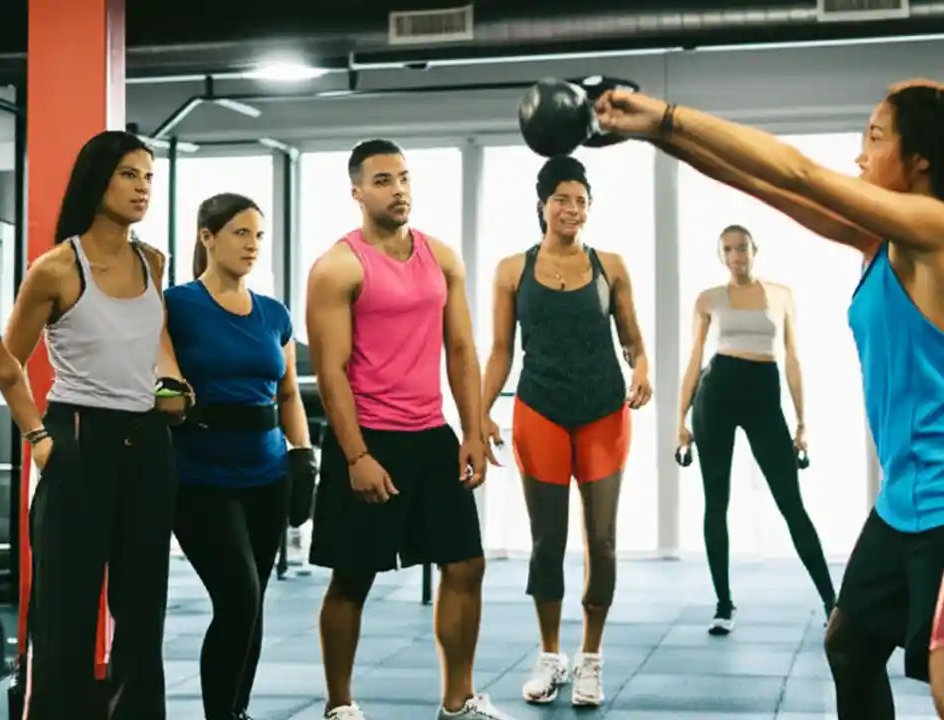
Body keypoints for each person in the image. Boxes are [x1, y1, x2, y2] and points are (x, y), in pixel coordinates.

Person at [594, 66, 944, 720]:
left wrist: (665, 114)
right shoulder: (880, 240)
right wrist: (654, 136)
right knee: (851, 646)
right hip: (905, 499)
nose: (859, 153)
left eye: (875, 137)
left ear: (917, 162)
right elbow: (762, 181)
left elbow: (798, 171)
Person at [305, 138, 511, 720]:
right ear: (357, 192)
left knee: (466, 563)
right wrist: (355, 455)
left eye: (404, 178)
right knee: (353, 576)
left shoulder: (441, 257)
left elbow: (463, 348)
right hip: (370, 436)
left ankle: (458, 699)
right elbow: (331, 371)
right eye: (383, 180)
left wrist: (471, 431)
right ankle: (340, 704)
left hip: (430, 434)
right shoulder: (338, 267)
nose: (398, 189)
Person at [5, 130, 190, 719]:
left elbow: (152, 340)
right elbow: (8, 358)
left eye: (148, 177)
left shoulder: (152, 261)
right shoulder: (56, 268)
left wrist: (171, 383)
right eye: (128, 175)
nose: (142, 188)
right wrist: (37, 436)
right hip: (80, 439)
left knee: (142, 606)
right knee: (66, 609)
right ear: (97, 180)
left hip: (148, 443)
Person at [479, 155, 651, 708]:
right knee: (547, 540)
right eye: (561, 199)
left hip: (603, 408)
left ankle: (591, 659)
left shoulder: (611, 266)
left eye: (580, 200)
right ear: (542, 205)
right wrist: (479, 412)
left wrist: (643, 368)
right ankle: (551, 654)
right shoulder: (512, 270)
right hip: (540, 410)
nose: (571, 209)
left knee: (600, 539)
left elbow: (634, 342)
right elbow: (501, 351)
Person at [164, 192, 318, 720]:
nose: (253, 245)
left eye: (258, 235)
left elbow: (289, 394)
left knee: (251, 608)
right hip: (199, 475)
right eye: (240, 233)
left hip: (267, 472)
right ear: (207, 237)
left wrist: (302, 457)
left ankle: (238, 711)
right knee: (238, 598)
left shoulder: (274, 313)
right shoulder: (177, 305)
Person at [676, 223, 836, 634]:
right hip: (718, 392)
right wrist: (679, 420)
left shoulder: (781, 294)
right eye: (728, 249)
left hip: (764, 392)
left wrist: (802, 421)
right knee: (717, 500)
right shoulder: (708, 299)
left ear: (754, 249)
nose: (737, 256)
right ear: (721, 255)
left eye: (742, 248)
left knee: (791, 503)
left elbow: (793, 357)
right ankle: (723, 605)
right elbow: (695, 357)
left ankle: (833, 603)